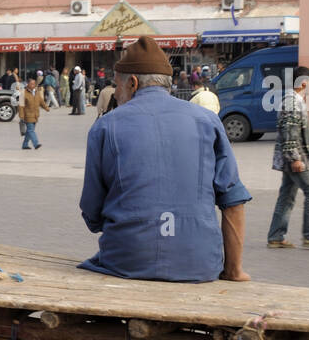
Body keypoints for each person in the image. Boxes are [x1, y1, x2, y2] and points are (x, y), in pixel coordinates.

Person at [79, 36, 251, 283]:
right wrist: (234, 271)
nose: (116, 93)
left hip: (126, 261)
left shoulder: (105, 126)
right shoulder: (208, 121)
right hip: (200, 265)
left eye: (117, 86)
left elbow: (92, 211)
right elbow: (233, 202)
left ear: (133, 83)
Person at [267, 67, 309, 250]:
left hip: (294, 156)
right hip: (294, 158)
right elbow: (289, 133)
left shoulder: (295, 101)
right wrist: (295, 158)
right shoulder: (293, 103)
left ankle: (276, 237)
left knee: (287, 195)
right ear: (303, 83)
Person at [21, 76, 48, 150]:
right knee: (31, 130)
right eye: (32, 84)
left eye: (34, 84)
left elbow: (41, 101)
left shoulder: (36, 92)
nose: (33, 85)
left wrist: (46, 107)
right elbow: (20, 106)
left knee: (29, 131)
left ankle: (25, 144)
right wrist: (21, 116)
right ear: (28, 84)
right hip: (28, 115)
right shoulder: (23, 93)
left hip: (35, 115)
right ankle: (36, 144)